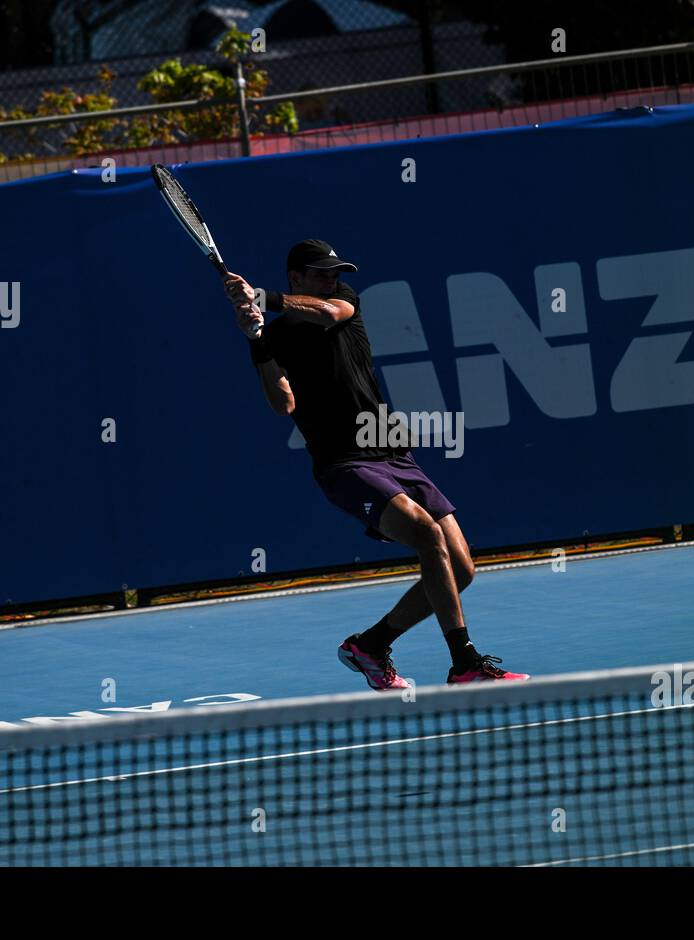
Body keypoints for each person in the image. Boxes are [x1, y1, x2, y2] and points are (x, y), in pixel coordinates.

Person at [223, 239, 528, 690]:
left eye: (335, 274)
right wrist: (257, 343)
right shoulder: (279, 337)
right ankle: (464, 662)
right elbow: (282, 402)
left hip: (390, 448)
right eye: (323, 274)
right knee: (426, 534)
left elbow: (327, 313)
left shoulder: (344, 302)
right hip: (343, 463)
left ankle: (369, 645)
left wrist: (261, 297)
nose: (333, 281)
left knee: (461, 568)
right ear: (297, 277)